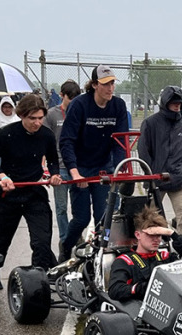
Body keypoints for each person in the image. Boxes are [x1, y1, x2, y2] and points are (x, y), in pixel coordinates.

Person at [0, 94, 62, 290]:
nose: (37, 122)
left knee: (42, 240)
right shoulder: (4, 134)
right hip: (8, 192)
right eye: (32, 118)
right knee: (1, 240)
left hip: (34, 191)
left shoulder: (46, 135)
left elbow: (53, 160)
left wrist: (54, 175)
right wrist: (3, 177)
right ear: (21, 116)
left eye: (40, 118)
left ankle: (39, 278)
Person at [58, 65, 129, 259]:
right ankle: (65, 248)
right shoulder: (80, 105)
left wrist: (119, 169)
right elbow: (67, 141)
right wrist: (74, 172)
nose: (110, 88)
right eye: (106, 84)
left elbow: (120, 142)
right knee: (81, 219)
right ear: (95, 85)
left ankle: (102, 255)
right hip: (80, 166)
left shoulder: (118, 106)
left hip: (103, 168)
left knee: (106, 219)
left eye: (113, 83)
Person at [108, 205, 182, 302]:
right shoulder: (125, 261)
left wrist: (173, 235)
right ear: (138, 235)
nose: (156, 239)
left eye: (159, 235)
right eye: (151, 235)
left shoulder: (166, 258)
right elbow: (114, 290)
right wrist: (140, 288)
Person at [138, 86, 182, 240]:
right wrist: (152, 174)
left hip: (178, 180)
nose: (177, 106)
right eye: (173, 103)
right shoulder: (150, 123)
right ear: (165, 103)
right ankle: (151, 250)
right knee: (150, 219)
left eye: (179, 103)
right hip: (156, 180)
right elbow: (143, 151)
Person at [44, 80, 82, 262]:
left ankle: (77, 235)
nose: (73, 102)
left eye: (76, 98)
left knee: (79, 206)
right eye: (70, 98)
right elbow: (45, 140)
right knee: (61, 207)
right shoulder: (52, 115)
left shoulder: (80, 113)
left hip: (77, 166)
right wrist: (46, 166)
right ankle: (64, 239)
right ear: (62, 95)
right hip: (59, 166)